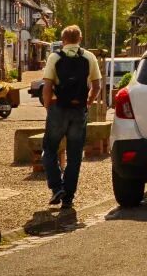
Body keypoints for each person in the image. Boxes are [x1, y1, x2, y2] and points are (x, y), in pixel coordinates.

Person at [40, 25, 102, 209]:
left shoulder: (54, 57)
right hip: (78, 110)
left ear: (63, 40)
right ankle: (68, 196)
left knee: (49, 150)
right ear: (80, 39)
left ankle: (56, 187)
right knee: (75, 155)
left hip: (58, 108)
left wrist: (47, 107)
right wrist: (88, 103)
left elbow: (47, 87)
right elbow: (96, 86)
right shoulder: (89, 57)